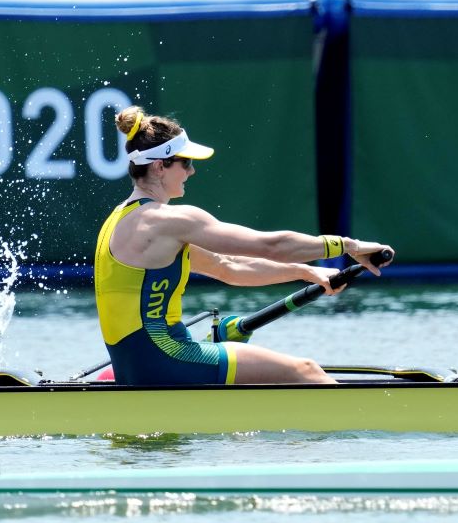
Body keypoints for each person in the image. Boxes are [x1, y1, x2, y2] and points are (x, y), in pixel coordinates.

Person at [94, 106, 395, 386]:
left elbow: (229, 268)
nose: (192, 171)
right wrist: (348, 246)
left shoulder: (116, 222)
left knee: (233, 336)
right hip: (167, 358)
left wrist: (307, 273)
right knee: (307, 371)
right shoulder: (170, 220)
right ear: (160, 167)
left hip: (134, 367)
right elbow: (272, 246)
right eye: (186, 163)